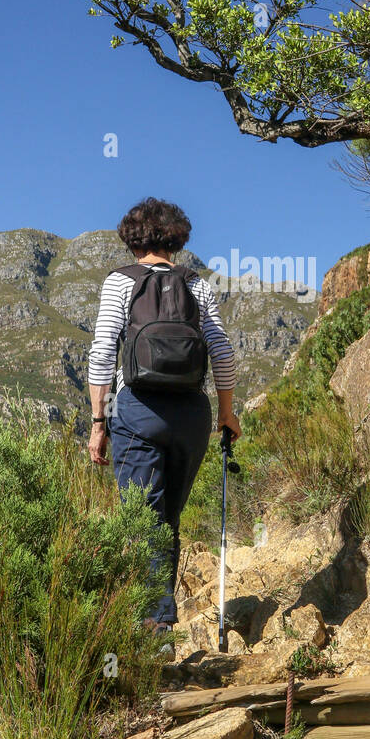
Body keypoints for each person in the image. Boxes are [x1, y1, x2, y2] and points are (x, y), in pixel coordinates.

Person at [87, 197, 240, 636]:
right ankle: (160, 625)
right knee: (166, 523)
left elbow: (102, 354)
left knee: (141, 521)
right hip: (192, 416)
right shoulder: (196, 285)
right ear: (176, 237)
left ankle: (152, 631)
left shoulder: (120, 282)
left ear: (132, 238)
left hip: (137, 410)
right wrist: (226, 413)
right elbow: (223, 352)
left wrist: (98, 424)